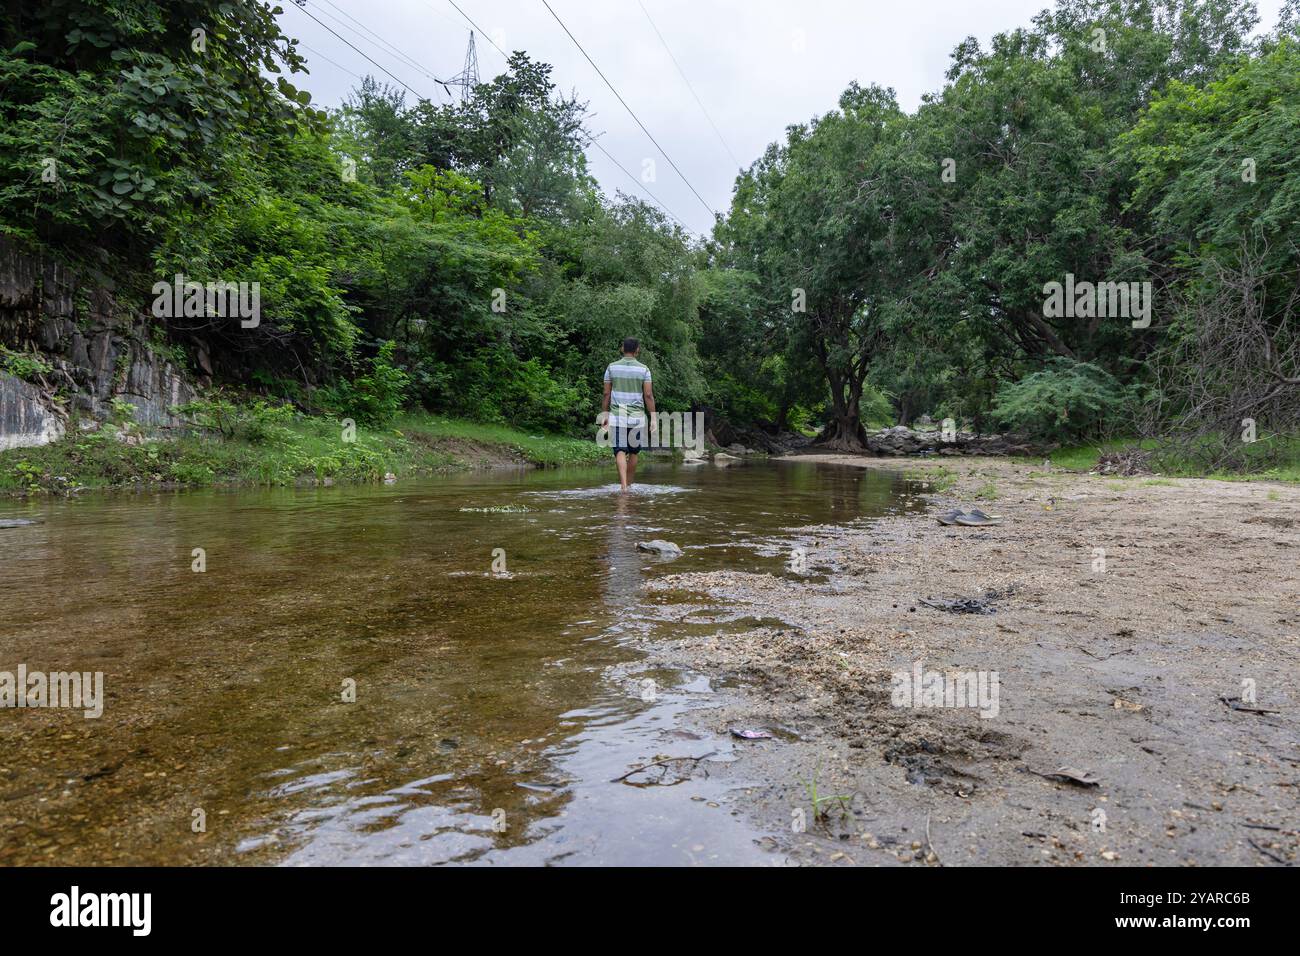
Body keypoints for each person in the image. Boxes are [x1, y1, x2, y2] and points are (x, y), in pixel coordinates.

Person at [601, 337, 655, 492]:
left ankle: (623, 486)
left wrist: (604, 414)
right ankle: (629, 486)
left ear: (622, 349)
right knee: (633, 452)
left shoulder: (611, 368)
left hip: (617, 415)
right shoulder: (644, 369)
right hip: (637, 417)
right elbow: (649, 395)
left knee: (619, 450)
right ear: (637, 350)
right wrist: (654, 418)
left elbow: (606, 393)